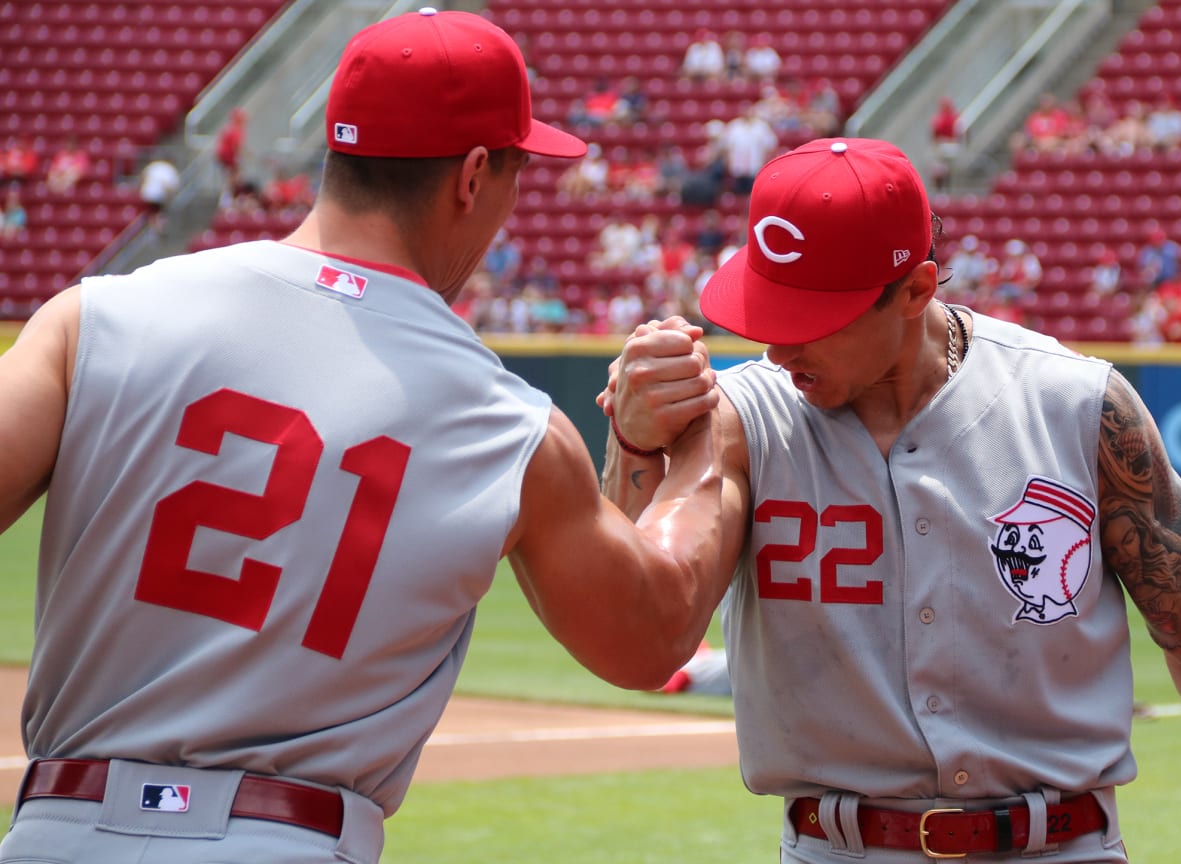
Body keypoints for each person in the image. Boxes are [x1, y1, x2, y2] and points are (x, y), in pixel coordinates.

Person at [0, 10, 727, 864]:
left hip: (57, 832)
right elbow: (647, 641)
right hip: (283, 840)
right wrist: (674, 453)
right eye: (516, 174)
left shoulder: (95, 315)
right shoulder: (506, 423)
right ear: (474, 175)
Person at [599, 138, 1181, 863]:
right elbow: (645, 641)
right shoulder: (742, 421)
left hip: (1061, 847)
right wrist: (633, 442)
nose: (778, 348)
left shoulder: (1076, 405)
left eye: (812, 318)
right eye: (771, 310)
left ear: (916, 290)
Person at [138, 157, 180, 232]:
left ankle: (154, 227)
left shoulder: (154, 165)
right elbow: (170, 187)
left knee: (153, 212)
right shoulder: (169, 170)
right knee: (158, 213)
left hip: (147, 194)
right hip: (158, 196)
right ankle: (157, 228)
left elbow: (143, 177)